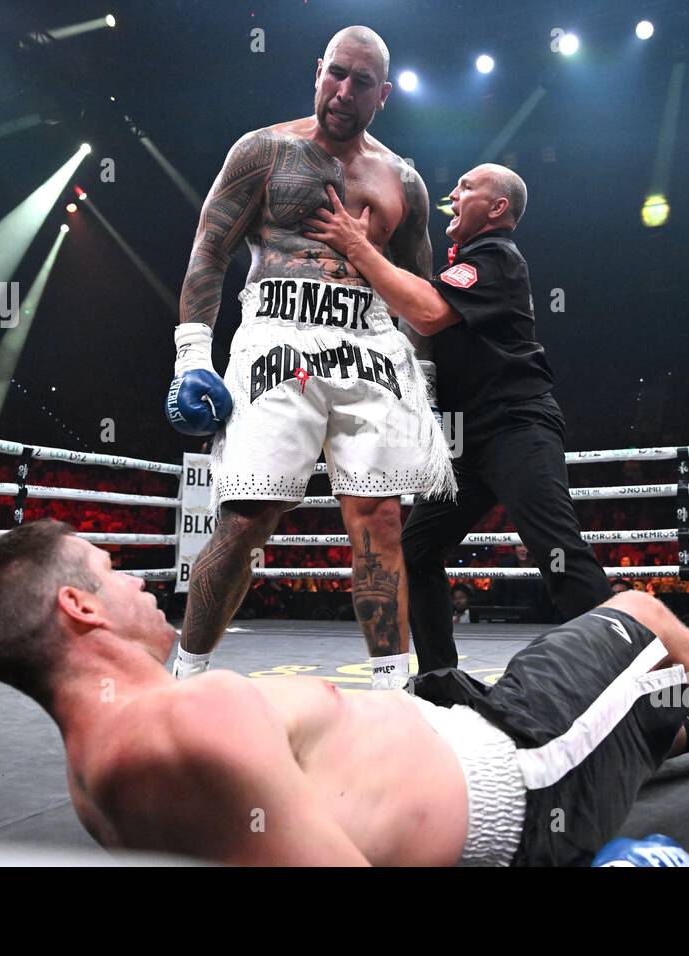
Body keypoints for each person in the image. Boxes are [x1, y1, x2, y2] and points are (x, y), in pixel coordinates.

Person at [0, 520, 689, 867]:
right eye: (111, 570)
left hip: (476, 735)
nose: (137, 581)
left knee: (638, 708)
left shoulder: (93, 782)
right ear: (80, 607)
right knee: (640, 615)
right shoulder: (191, 721)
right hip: (528, 774)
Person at [165, 25, 453, 690]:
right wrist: (192, 358)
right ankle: (186, 676)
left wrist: (423, 383)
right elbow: (210, 250)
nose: (344, 91)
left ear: (383, 95)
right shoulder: (263, 151)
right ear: (318, 72)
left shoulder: (403, 180)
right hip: (277, 334)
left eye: (361, 82)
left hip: (368, 346)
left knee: (380, 518)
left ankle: (391, 692)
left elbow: (418, 291)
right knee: (247, 517)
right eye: (336, 74)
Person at [304, 163, 611, 672]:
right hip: (464, 441)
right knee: (417, 552)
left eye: (467, 187)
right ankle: (438, 678)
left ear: (498, 208)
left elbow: (426, 313)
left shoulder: (496, 257)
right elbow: (409, 304)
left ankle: (639, 676)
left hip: (515, 426)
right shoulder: (465, 265)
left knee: (558, 552)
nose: (453, 193)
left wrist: (358, 246)